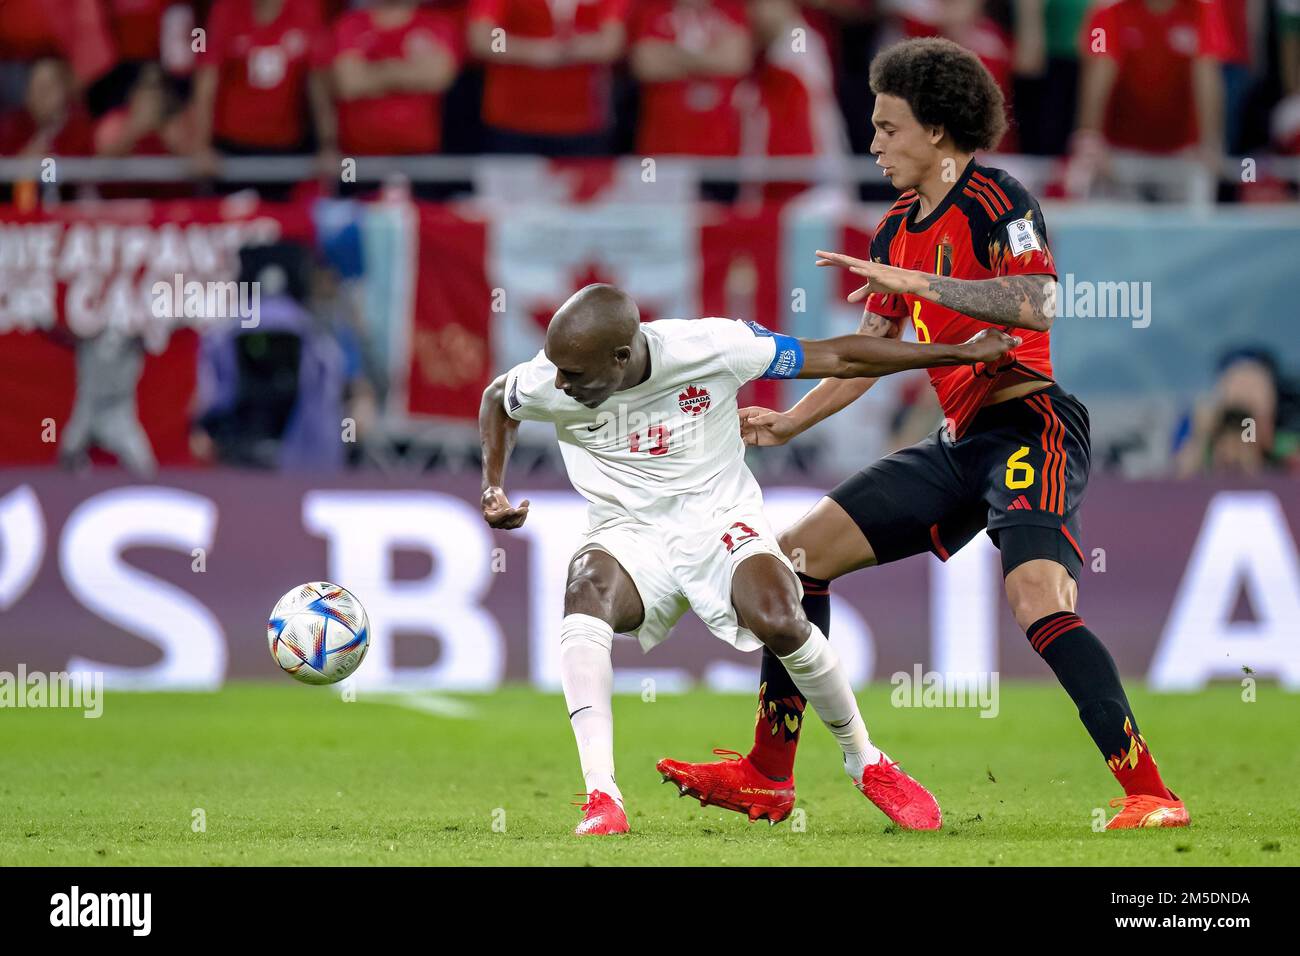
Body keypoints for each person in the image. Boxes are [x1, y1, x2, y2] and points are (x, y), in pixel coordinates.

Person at [658, 37, 1190, 831]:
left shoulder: (999, 201)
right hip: (957, 441)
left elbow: (1037, 304)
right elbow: (869, 356)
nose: (873, 145)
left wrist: (921, 284)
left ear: (937, 132)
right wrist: (791, 420)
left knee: (1035, 600)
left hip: (1028, 426)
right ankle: (770, 773)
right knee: (797, 560)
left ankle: (1150, 792)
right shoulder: (895, 228)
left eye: (888, 128)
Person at [478, 282, 1018, 835]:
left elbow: (841, 354)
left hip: (720, 519)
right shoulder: (551, 378)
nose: (561, 384)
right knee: (585, 589)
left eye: (575, 374)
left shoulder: (715, 346)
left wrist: (957, 351)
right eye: (558, 371)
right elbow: (498, 399)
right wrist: (492, 485)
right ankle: (602, 796)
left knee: (780, 616)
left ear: (622, 356)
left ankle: (867, 761)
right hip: (628, 530)